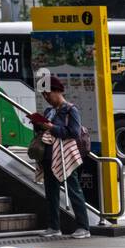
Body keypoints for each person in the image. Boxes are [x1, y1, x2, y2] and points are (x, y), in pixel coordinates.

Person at [40, 76, 92, 239]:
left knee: (73, 189)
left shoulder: (70, 109)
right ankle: (54, 226)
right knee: (51, 192)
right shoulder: (49, 111)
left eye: (48, 94)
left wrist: (52, 128)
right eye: (44, 95)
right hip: (49, 155)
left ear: (57, 91)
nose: (46, 98)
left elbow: (74, 132)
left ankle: (84, 226)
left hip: (65, 156)